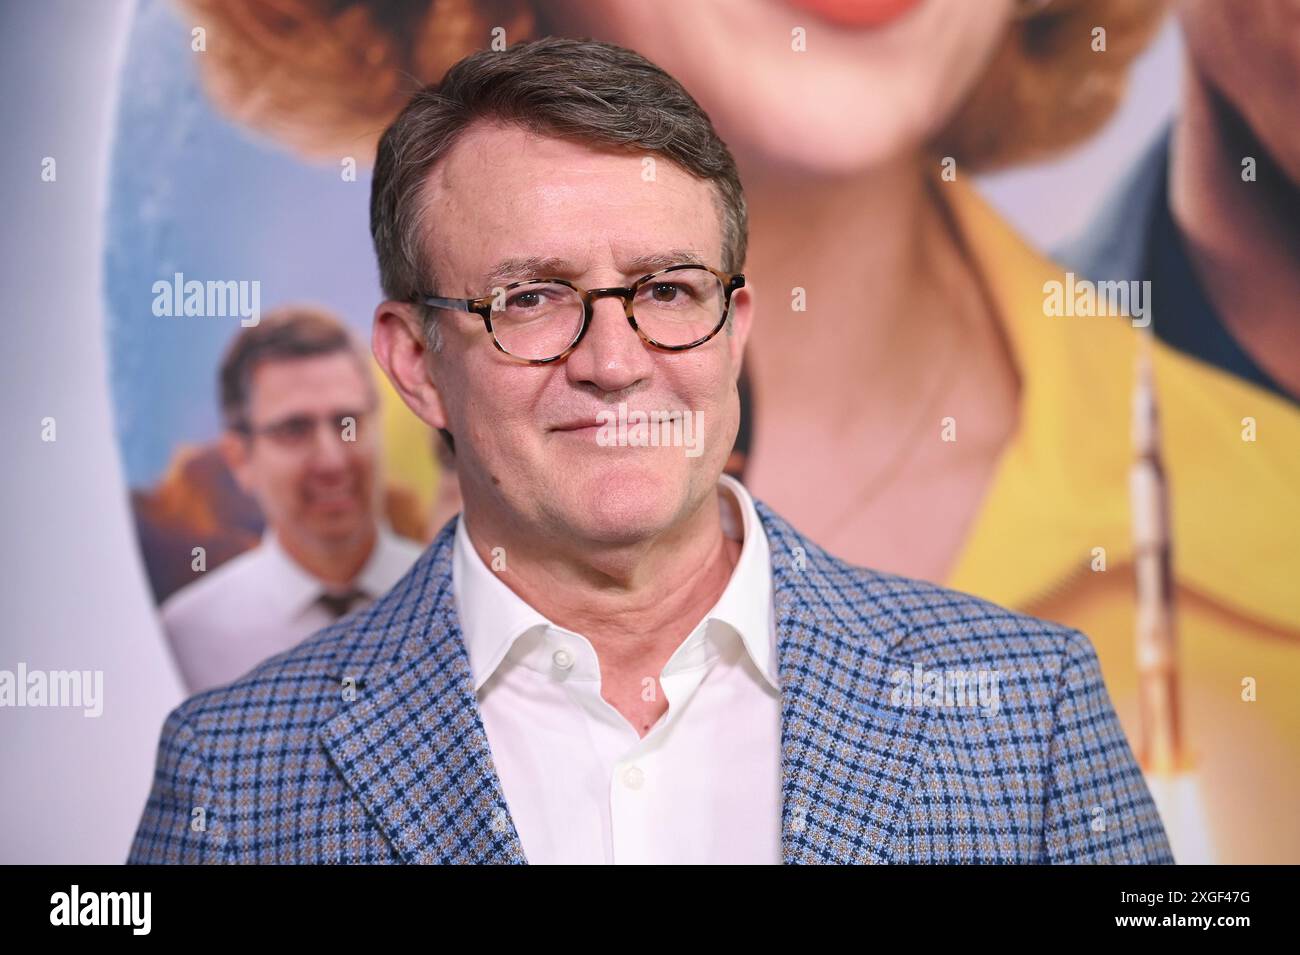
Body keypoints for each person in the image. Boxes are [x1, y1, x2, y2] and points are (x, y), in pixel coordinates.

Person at [129, 38, 1171, 865]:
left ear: (736, 326)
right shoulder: (235, 770)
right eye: (531, 300)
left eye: (668, 290)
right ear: (413, 362)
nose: (615, 362)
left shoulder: (1027, 707)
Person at [159, 306, 423, 693]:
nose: (332, 459)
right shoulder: (187, 640)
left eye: (347, 422)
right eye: (294, 429)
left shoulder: (460, 598)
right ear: (240, 458)